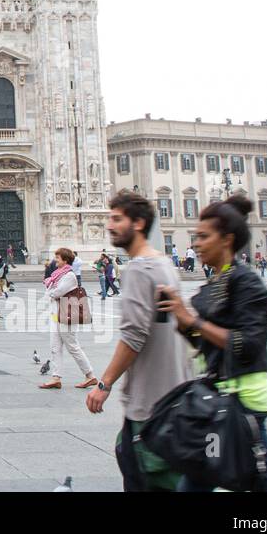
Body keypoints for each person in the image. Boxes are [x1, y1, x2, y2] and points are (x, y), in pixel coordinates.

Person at [156, 195, 267, 492]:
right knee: (200, 479)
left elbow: (248, 344)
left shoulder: (246, 283)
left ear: (226, 240)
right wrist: (180, 318)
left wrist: (193, 321)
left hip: (245, 401)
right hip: (219, 397)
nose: (196, 244)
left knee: (262, 482)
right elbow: (204, 342)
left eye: (203, 236)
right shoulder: (216, 282)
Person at [85, 191, 191, 492]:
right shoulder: (164, 264)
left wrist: (103, 385)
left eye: (117, 219)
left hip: (150, 405)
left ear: (139, 223)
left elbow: (134, 335)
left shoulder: (139, 269)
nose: (109, 225)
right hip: (173, 398)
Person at [40, 247, 97, 391]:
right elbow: (50, 291)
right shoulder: (57, 275)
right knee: (55, 347)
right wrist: (51, 292)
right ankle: (56, 377)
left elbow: (57, 293)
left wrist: (51, 292)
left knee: (72, 346)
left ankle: (90, 375)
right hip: (56, 315)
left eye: (58, 258)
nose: (55, 260)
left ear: (65, 260)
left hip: (67, 315)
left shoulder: (69, 275)